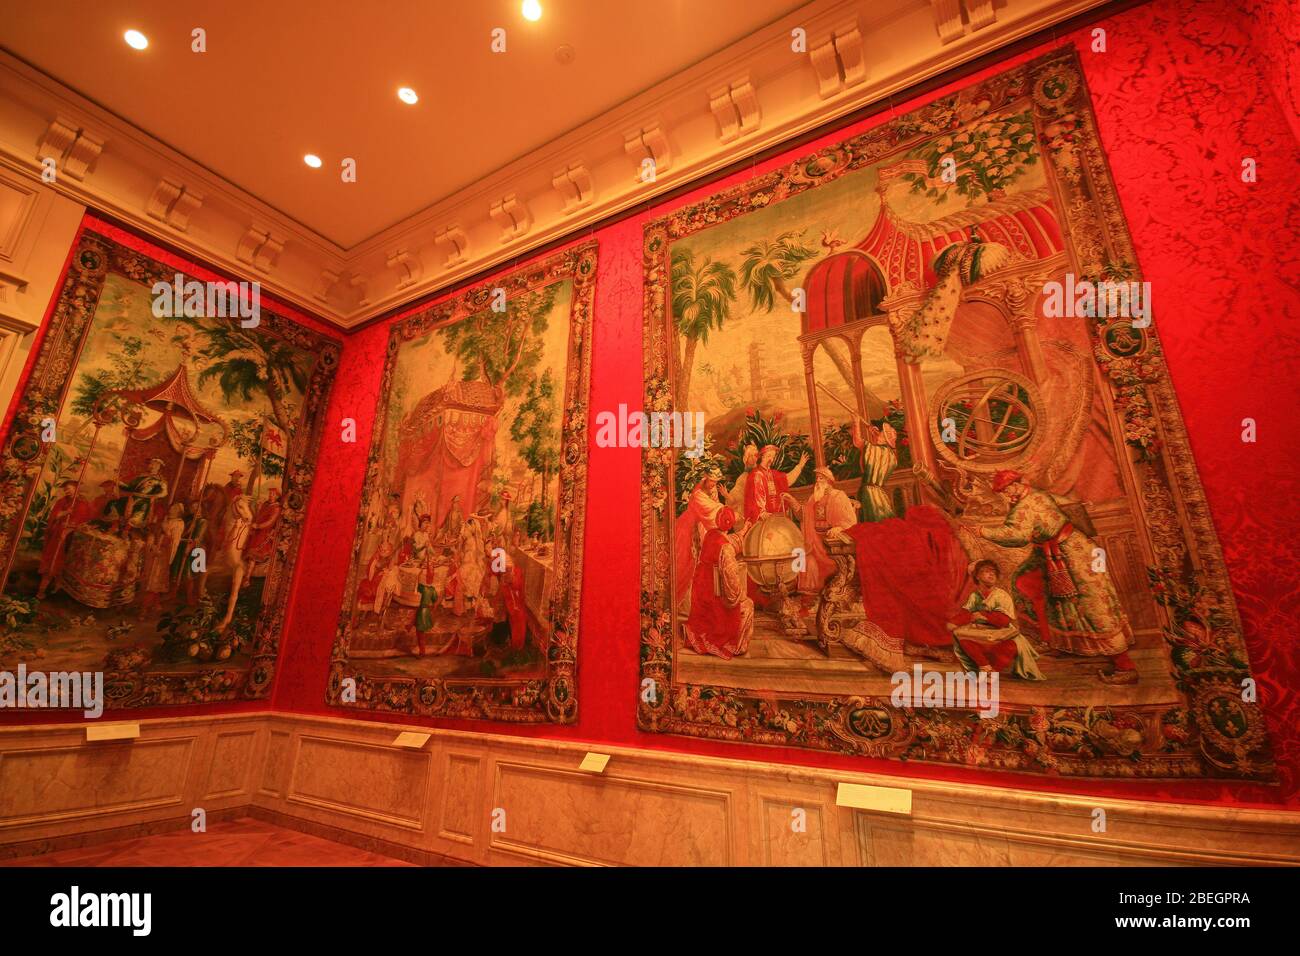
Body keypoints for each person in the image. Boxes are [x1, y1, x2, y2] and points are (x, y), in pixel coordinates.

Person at [970, 470, 1137, 684]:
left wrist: (983, 531)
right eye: (1002, 491)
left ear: (1018, 484)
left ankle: (1125, 666)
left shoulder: (1026, 506)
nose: (1006, 494)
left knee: (1092, 604)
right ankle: (1057, 640)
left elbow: (1017, 535)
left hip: (1071, 554)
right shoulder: (1037, 495)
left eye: (1007, 489)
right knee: (1027, 583)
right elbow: (1063, 502)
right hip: (1054, 551)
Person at [948, 559, 1045, 680]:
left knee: (1011, 646)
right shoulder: (975, 596)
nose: (991, 574)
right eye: (986, 571)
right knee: (964, 641)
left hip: (1001, 634)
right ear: (977, 576)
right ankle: (985, 667)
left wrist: (983, 615)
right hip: (981, 633)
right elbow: (966, 612)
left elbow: (1004, 620)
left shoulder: (1001, 595)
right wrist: (953, 622)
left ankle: (993, 672)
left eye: (993, 572)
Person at [683, 507, 754, 660]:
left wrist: (746, 528)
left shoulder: (711, 535)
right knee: (748, 605)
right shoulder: (726, 548)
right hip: (714, 591)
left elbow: (732, 540)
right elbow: (732, 584)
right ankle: (735, 645)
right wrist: (738, 596)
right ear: (730, 524)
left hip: (701, 585)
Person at [796, 467, 859, 595]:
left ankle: (829, 586)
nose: (818, 482)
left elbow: (850, 520)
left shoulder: (838, 495)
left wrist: (839, 527)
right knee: (799, 552)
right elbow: (803, 515)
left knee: (811, 555)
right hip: (814, 538)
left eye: (821, 478)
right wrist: (792, 502)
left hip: (830, 539)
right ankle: (807, 591)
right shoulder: (813, 498)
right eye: (817, 479)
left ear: (829, 481)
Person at [673, 469, 725, 604]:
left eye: (715, 482)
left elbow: (715, 507)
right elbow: (712, 509)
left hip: (703, 527)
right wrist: (726, 512)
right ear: (705, 478)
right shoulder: (697, 494)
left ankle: (700, 600)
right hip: (689, 527)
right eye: (711, 481)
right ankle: (685, 602)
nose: (713, 485)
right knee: (686, 560)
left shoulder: (712, 490)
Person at [36, 480, 90, 599]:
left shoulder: (82, 503)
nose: (67, 491)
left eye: (69, 488)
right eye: (66, 489)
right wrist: (66, 512)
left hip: (72, 537)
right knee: (52, 561)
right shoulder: (62, 501)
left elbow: (81, 522)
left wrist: (68, 530)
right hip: (57, 535)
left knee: (65, 563)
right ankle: (42, 589)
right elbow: (54, 516)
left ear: (76, 489)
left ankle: (58, 586)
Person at [743, 445, 808, 526]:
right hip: (762, 520)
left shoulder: (773, 474)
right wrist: (762, 513)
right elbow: (756, 498)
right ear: (762, 457)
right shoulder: (756, 474)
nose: (771, 459)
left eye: (773, 457)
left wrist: (800, 466)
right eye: (769, 456)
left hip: (775, 517)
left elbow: (787, 479)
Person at [852, 418, 898, 522]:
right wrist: (875, 433)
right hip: (880, 494)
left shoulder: (872, 449)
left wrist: (856, 422)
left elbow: (857, 441)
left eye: (877, 431)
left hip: (868, 493)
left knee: (873, 525)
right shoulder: (892, 455)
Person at [243, 487, 283, 572]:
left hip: (265, 533)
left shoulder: (276, 508)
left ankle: (247, 577)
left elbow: (270, 522)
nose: (270, 495)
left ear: (276, 496)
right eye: (270, 493)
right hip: (256, 532)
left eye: (272, 494)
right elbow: (258, 516)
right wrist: (258, 507)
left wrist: (258, 526)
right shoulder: (265, 504)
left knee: (252, 555)